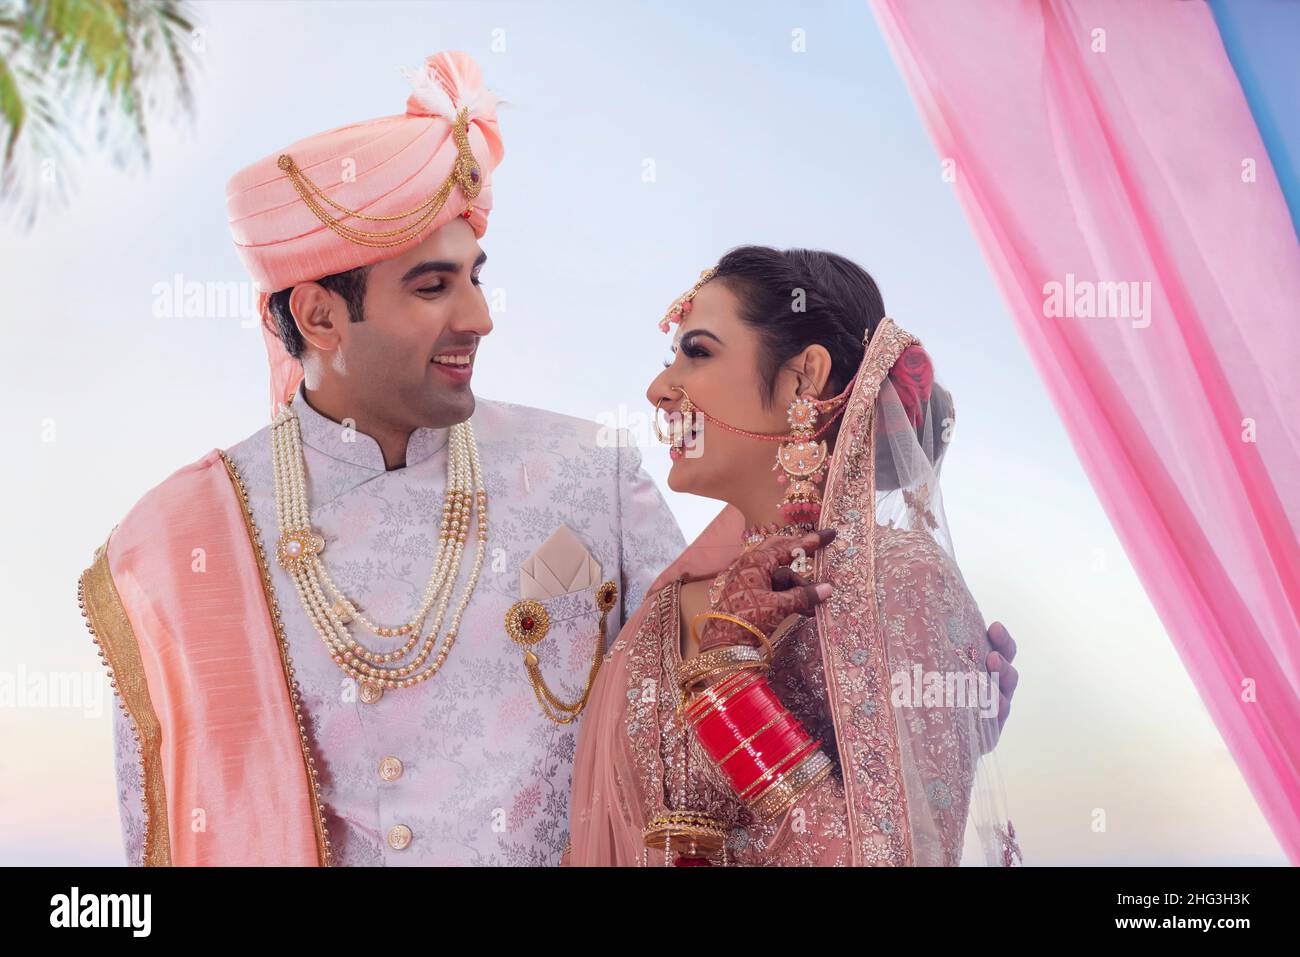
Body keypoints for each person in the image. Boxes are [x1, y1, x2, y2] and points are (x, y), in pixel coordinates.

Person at [80, 52, 1019, 867]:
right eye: (432, 286)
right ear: (321, 316)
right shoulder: (176, 548)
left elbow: (702, 711)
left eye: (475, 278)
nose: (480, 316)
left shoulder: (586, 470)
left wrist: (910, 696)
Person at [567, 247, 1021, 865]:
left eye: (696, 352)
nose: (656, 389)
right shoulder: (664, 606)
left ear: (805, 376)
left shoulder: (899, 578)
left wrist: (730, 688)